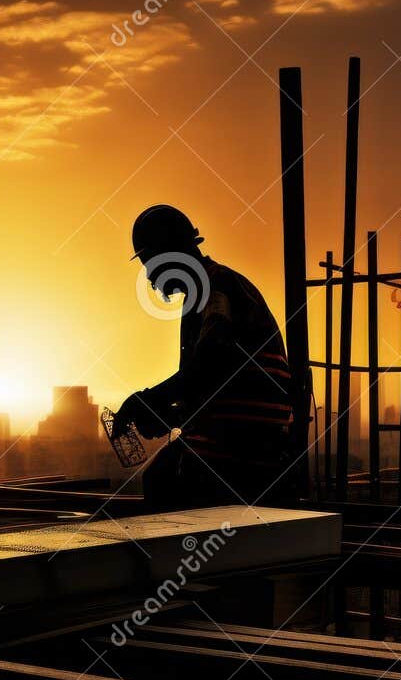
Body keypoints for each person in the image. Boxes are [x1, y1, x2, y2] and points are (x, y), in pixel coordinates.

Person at [112, 204, 293, 509]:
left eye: (150, 264)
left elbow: (210, 363)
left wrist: (146, 400)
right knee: (161, 474)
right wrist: (170, 418)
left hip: (240, 441)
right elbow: (215, 383)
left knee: (162, 478)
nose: (150, 276)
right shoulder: (210, 289)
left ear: (170, 254)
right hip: (247, 431)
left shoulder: (214, 288)